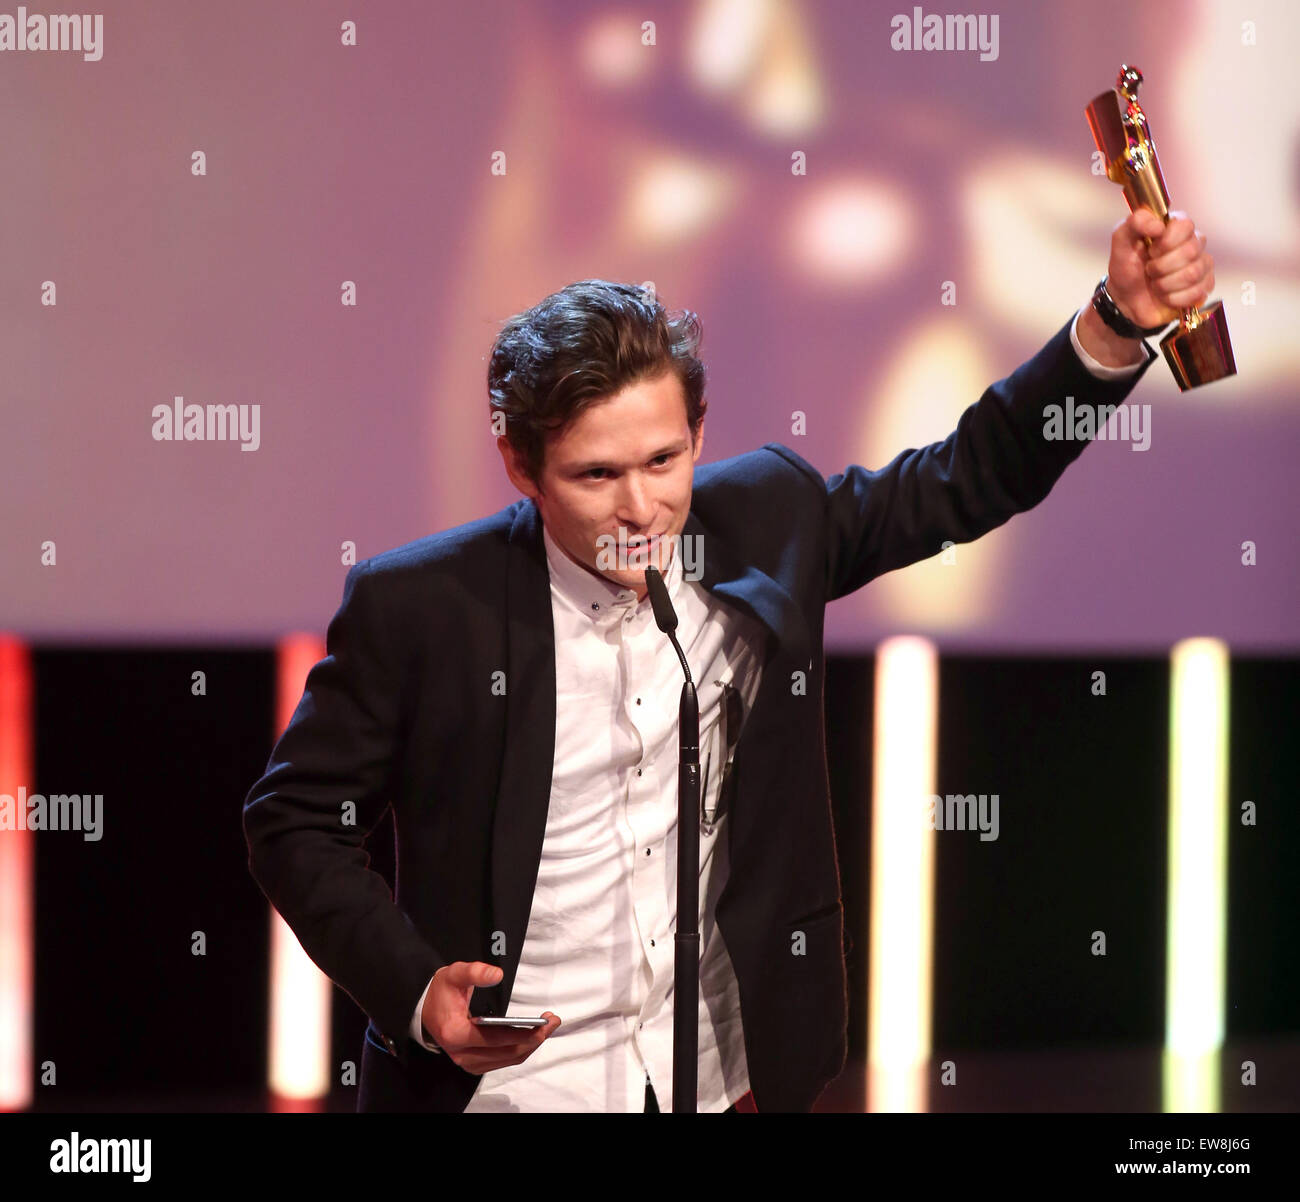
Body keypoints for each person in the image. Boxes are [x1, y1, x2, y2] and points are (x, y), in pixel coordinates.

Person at [242, 207, 1214, 1113]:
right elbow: (292, 819)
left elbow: (970, 475)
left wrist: (1114, 323)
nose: (639, 509)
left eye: (664, 461)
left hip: (723, 1083)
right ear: (519, 463)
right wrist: (416, 989)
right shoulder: (420, 606)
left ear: (699, 436)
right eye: (595, 474)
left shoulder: (767, 521)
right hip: (501, 1092)